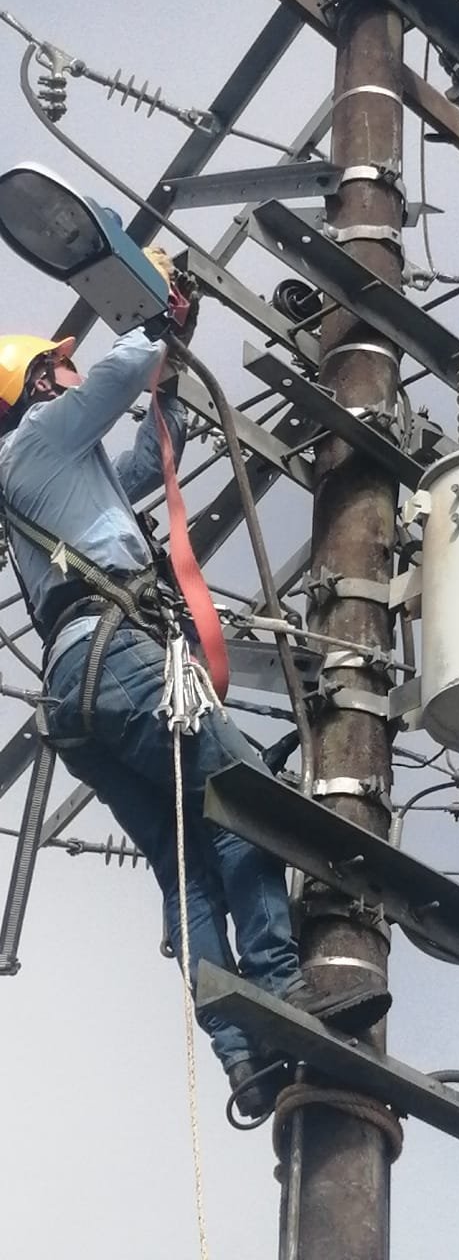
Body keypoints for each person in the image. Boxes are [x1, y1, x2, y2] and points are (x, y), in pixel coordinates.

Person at [0, 302, 390, 1119]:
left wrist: (167, 389)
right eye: (59, 366)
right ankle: (287, 991)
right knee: (239, 804)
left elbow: (145, 462)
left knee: (187, 860)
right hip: (124, 664)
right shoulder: (36, 439)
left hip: (83, 694)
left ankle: (242, 1053)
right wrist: (158, 324)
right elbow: (113, 375)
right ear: (39, 383)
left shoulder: (55, 468)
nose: (73, 370)